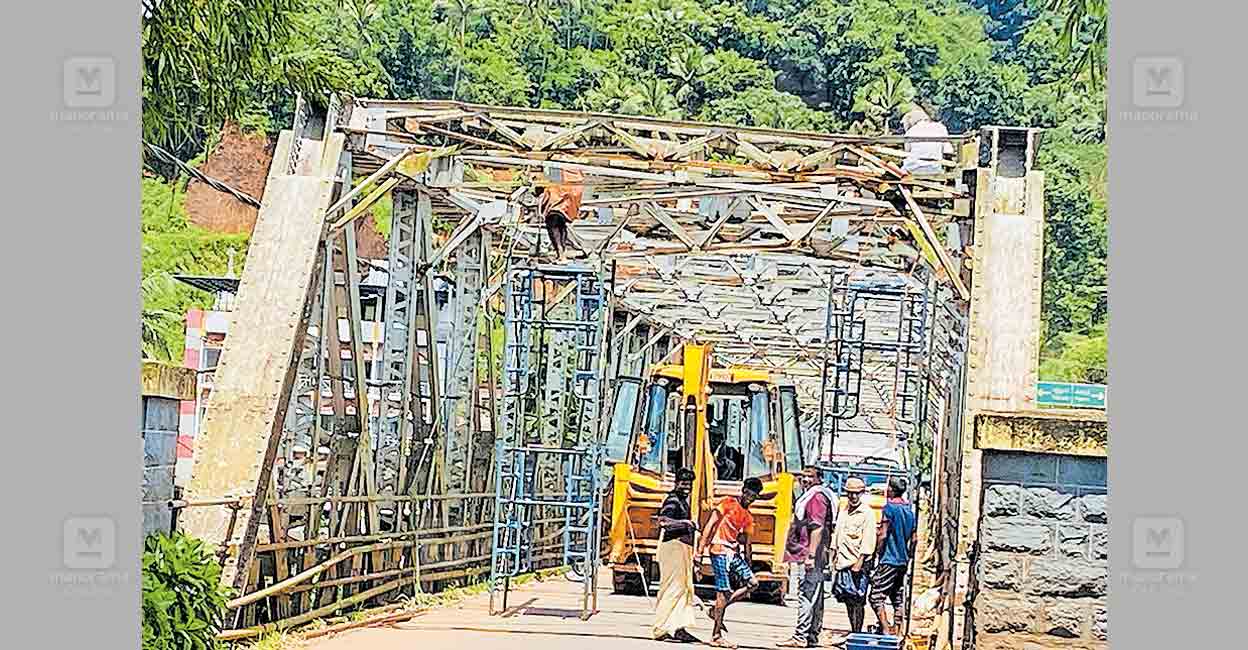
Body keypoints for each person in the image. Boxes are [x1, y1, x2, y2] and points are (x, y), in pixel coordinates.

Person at [696, 477, 764, 648]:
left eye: (753, 496)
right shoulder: (727, 503)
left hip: (733, 553)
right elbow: (710, 525)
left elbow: (747, 542)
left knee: (753, 583)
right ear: (743, 491)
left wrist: (749, 562)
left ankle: (716, 610)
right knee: (722, 593)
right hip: (719, 550)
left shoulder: (748, 517)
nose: (750, 498)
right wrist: (699, 552)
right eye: (748, 493)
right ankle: (716, 635)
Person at [778, 467, 838, 648]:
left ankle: (800, 637)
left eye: (810, 477)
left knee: (806, 594)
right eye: (803, 476)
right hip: (813, 553)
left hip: (810, 554)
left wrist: (810, 556)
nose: (805, 480)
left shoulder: (816, 497)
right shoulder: (815, 495)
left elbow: (817, 527)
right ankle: (812, 635)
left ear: (819, 479)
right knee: (815, 596)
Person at [653, 468, 702, 644]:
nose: (686, 487)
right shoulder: (673, 500)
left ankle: (679, 629)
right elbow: (663, 522)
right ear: (676, 483)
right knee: (672, 589)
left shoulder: (682, 501)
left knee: (684, 590)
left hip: (682, 550)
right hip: (673, 549)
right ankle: (661, 628)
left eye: (689, 485)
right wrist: (686, 523)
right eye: (683, 484)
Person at [828, 477, 876, 644]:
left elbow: (868, 540)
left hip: (857, 565)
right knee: (848, 600)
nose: (853, 497)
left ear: (862, 493)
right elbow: (837, 535)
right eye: (850, 493)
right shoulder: (844, 511)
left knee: (858, 601)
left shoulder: (867, 514)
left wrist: (860, 561)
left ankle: (857, 633)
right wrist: (832, 557)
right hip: (843, 562)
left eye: (856, 493)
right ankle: (853, 630)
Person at [870, 477, 917, 637]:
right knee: (897, 596)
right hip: (902, 561)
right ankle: (898, 631)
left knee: (876, 596)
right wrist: (908, 555)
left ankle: (885, 629)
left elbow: (883, 534)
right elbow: (914, 538)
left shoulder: (889, 508)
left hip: (889, 559)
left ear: (891, 489)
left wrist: (876, 552)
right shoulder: (909, 511)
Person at [535, 168, 585, 261]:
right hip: (567, 194)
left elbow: (548, 183)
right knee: (560, 223)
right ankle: (561, 252)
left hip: (558, 195)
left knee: (554, 223)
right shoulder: (574, 173)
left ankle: (560, 252)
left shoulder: (556, 173)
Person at [900, 106, 953, 175]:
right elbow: (948, 150)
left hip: (912, 169)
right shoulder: (941, 128)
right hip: (934, 169)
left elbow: (907, 152)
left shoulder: (910, 131)